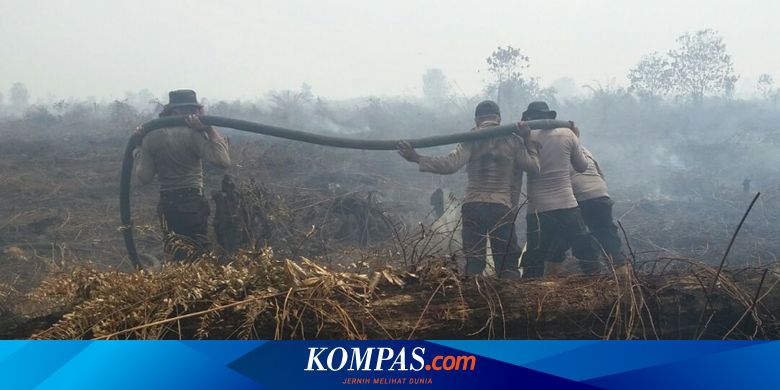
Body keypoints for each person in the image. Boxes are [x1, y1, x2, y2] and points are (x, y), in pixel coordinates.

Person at [398, 100, 539, 278]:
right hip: (500, 207)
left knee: (474, 262)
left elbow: (449, 165)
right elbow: (533, 166)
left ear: (476, 120)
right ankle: (509, 301)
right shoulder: (514, 140)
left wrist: (416, 157)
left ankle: (472, 301)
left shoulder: (471, 140)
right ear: (499, 119)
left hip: (473, 206)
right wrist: (528, 140)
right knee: (507, 264)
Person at [133, 89, 231, 260]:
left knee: (177, 253)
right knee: (198, 254)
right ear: (177, 112)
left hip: (167, 206)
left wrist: (138, 149)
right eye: (191, 110)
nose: (195, 114)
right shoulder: (192, 135)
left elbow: (144, 177)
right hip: (191, 204)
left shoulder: (151, 137)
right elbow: (223, 161)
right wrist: (209, 129)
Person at [520, 101, 600, 278]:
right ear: (549, 116)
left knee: (535, 257)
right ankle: (599, 285)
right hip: (567, 206)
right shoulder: (567, 134)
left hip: (538, 210)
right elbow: (581, 166)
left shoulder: (525, 138)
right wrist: (576, 139)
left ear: (529, 118)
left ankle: (531, 296)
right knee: (585, 249)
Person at [569, 128, 628, 273]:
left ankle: (592, 275)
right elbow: (600, 174)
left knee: (580, 238)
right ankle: (624, 278)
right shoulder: (585, 150)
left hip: (581, 199)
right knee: (607, 235)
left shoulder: (561, 152)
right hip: (601, 196)